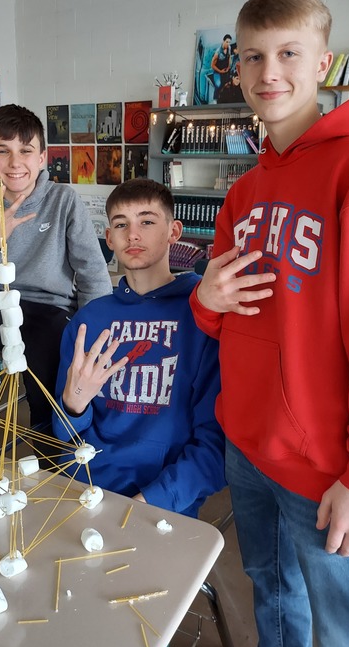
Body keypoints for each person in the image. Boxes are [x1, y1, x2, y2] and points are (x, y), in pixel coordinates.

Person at [190, 0, 349, 647]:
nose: (268, 73)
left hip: (326, 466)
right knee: (273, 604)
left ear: (323, 64)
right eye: (252, 57)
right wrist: (205, 301)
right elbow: (220, 319)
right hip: (247, 449)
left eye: (288, 53)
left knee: (347, 635)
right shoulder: (246, 191)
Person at [0, 104, 111, 447]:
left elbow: (92, 272)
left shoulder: (63, 201)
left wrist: (92, 338)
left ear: (43, 157)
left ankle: (50, 453)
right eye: (3, 151)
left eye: (26, 151)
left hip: (49, 310)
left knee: (48, 341)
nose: (15, 163)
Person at [53, 178, 225, 517]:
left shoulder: (202, 317)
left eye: (147, 221)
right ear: (109, 238)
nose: (133, 234)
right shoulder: (89, 321)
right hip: (88, 491)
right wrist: (73, 406)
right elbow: (65, 438)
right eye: (121, 224)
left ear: (174, 231)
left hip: (164, 501)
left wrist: (150, 503)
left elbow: (215, 444)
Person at [210, 34, 232, 100]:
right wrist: (220, 71)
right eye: (227, 42)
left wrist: (228, 67)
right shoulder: (218, 52)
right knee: (218, 84)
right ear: (223, 41)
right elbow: (212, 65)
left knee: (228, 84)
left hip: (225, 69)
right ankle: (215, 99)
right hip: (217, 71)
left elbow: (229, 57)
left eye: (229, 42)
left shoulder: (229, 48)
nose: (228, 44)